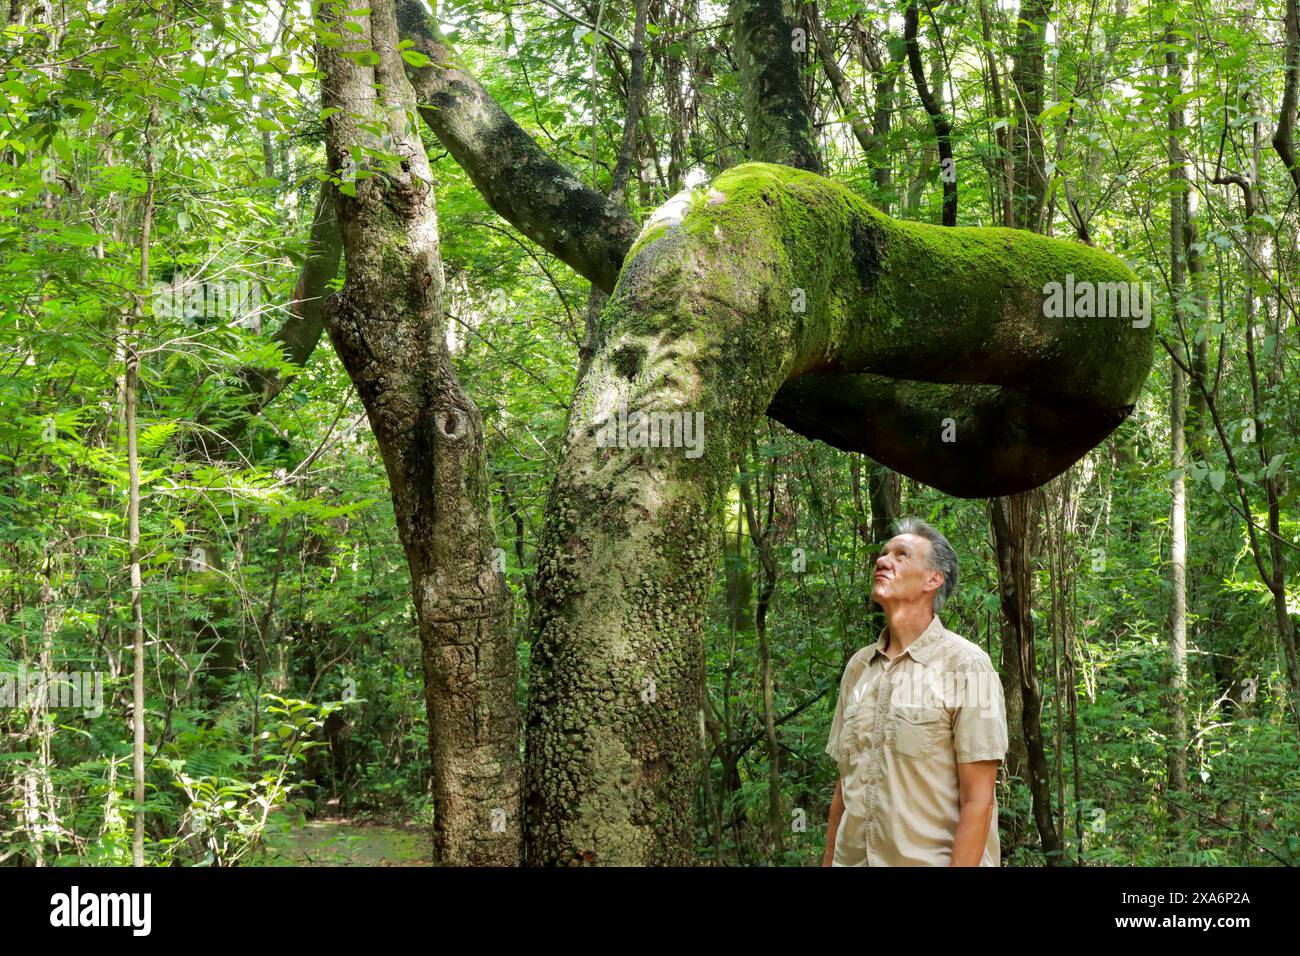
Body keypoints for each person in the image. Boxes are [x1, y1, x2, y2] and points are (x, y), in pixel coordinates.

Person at [823, 517, 1009, 866]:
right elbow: (843, 790)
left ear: (933, 579)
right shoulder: (858, 668)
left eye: (901, 554)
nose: (883, 561)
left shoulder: (970, 667)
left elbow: (979, 800)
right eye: (883, 554)